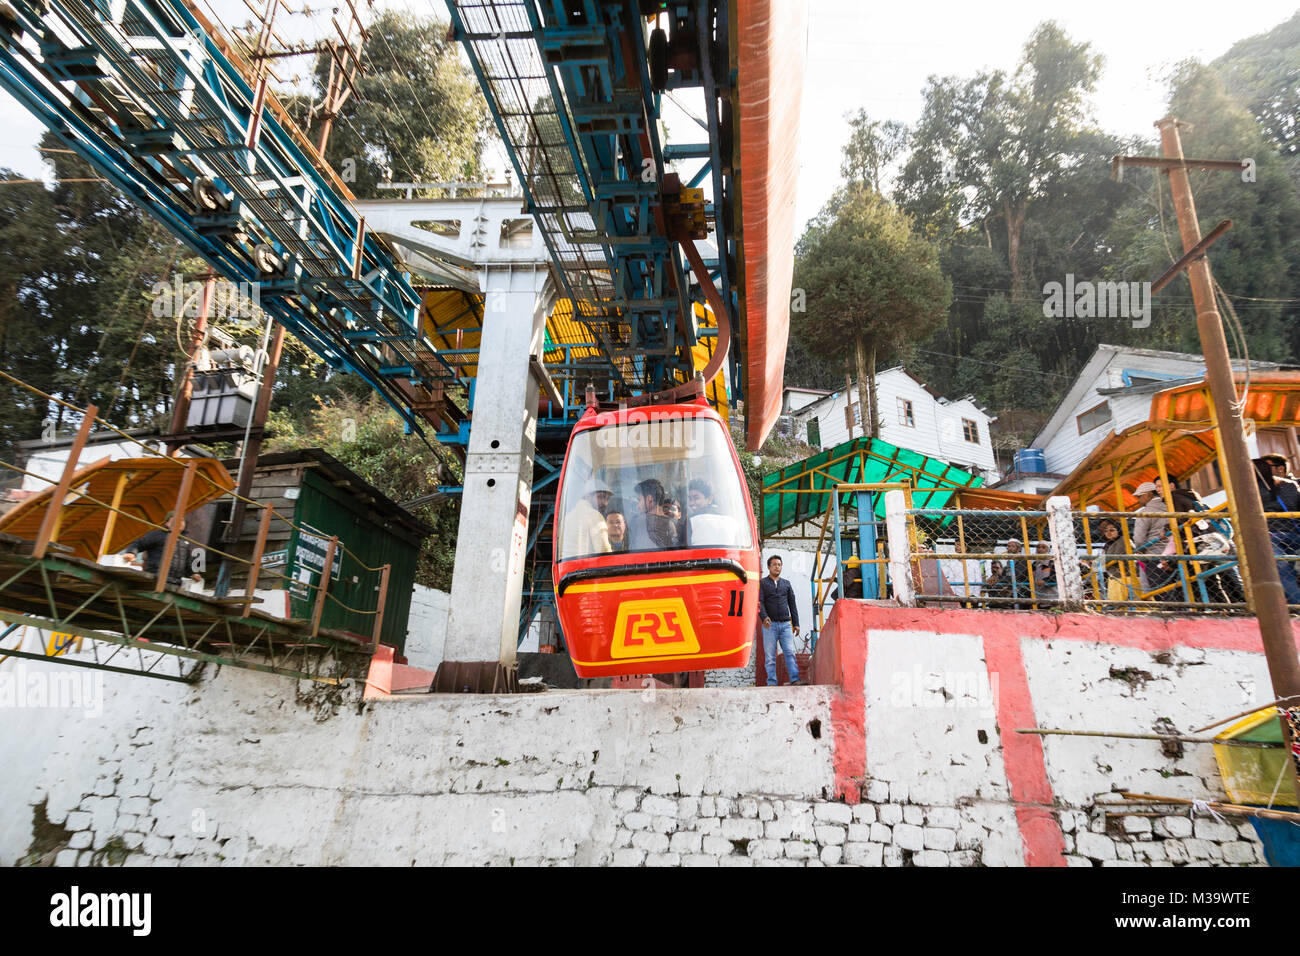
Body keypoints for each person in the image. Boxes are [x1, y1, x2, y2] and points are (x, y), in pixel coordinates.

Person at [1254, 458, 1300, 604]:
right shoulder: (1289, 485)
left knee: (1283, 570)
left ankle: (1297, 603)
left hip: (1270, 535)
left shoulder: (1251, 490)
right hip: (1295, 533)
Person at [121, 513, 203, 588]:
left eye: (182, 520)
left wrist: (193, 573)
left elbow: (188, 561)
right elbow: (139, 543)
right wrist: (131, 553)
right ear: (167, 523)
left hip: (176, 583)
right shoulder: (157, 535)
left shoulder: (185, 541)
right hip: (155, 578)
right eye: (176, 520)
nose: (180, 522)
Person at [760, 554, 800, 685]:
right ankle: (771, 682)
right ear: (768, 567)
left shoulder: (786, 584)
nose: (777, 567)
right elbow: (760, 602)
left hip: (785, 625)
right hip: (769, 626)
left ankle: (794, 679)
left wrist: (796, 623)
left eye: (779, 564)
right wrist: (764, 617)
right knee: (770, 657)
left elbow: (792, 604)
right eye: (774, 565)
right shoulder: (763, 583)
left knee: (789, 652)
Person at [1130, 481, 1176, 597]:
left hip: (1154, 555)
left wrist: (1139, 548)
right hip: (1175, 553)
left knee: (1161, 592)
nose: (1139, 500)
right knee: (1177, 589)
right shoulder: (1171, 506)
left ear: (1149, 494)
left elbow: (1139, 538)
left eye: (1140, 496)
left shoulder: (1145, 512)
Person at [561, 478, 613, 557]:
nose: (605, 503)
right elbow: (604, 551)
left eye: (607, 499)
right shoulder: (594, 516)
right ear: (588, 496)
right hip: (588, 566)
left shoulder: (567, 517)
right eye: (601, 497)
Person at [686, 478, 743, 547]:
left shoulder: (691, 521)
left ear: (710, 499)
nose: (691, 503)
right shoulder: (732, 520)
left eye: (696, 498)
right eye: (690, 499)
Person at [628, 477, 680, 550]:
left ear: (649, 499)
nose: (638, 506)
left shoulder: (637, 521)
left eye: (639, 500)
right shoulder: (670, 524)